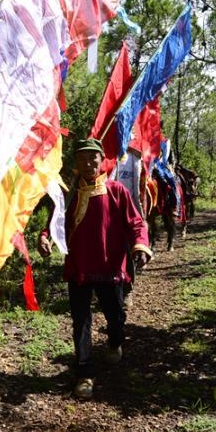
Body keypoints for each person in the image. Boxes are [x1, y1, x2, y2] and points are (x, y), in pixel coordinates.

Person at [38, 138, 152, 400]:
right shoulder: (69, 196)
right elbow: (56, 223)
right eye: (82, 159)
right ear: (76, 164)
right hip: (79, 268)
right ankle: (84, 373)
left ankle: (115, 340)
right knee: (81, 321)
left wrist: (139, 245)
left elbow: (136, 222)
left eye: (93, 158)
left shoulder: (116, 191)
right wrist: (45, 237)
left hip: (110, 267)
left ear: (102, 162)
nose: (88, 163)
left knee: (115, 315)